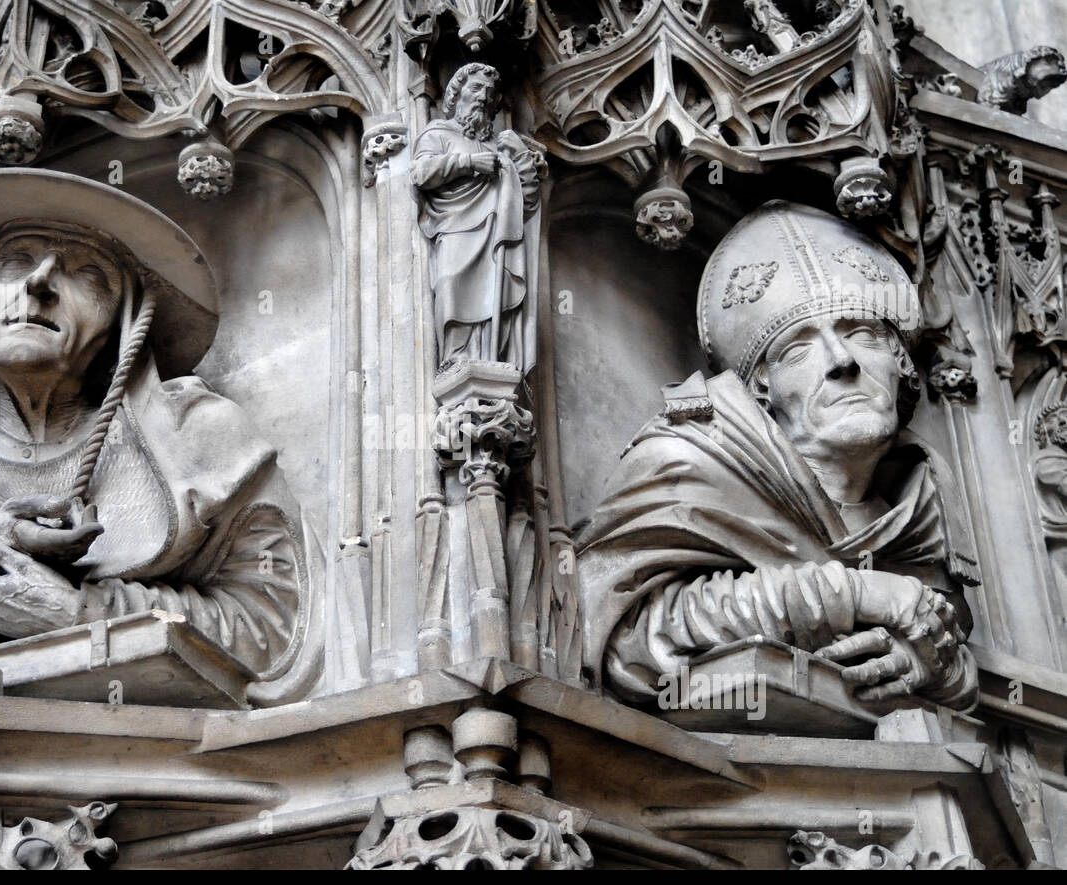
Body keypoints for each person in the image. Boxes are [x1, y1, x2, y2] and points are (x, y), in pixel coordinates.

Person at [0, 169, 320, 703]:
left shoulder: (200, 438)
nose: (38, 284)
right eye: (16, 261)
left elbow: (273, 631)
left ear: (121, 329)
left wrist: (81, 613)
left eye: (89, 275)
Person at [578, 201, 980, 710]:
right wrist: (855, 596)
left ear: (901, 362)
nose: (841, 362)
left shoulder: (920, 496)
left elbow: (954, 655)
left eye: (862, 333)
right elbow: (621, 640)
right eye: (798, 350)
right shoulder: (688, 460)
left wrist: (929, 662)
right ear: (761, 392)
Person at [410, 62, 543, 374]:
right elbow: (420, 172)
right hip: (455, 229)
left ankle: (492, 359)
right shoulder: (438, 133)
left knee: (496, 295)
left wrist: (521, 157)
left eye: (489, 92)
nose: (483, 97)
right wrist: (468, 162)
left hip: (497, 235)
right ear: (456, 95)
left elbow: (530, 201)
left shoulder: (503, 145)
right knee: (451, 284)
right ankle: (457, 361)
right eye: (475, 88)